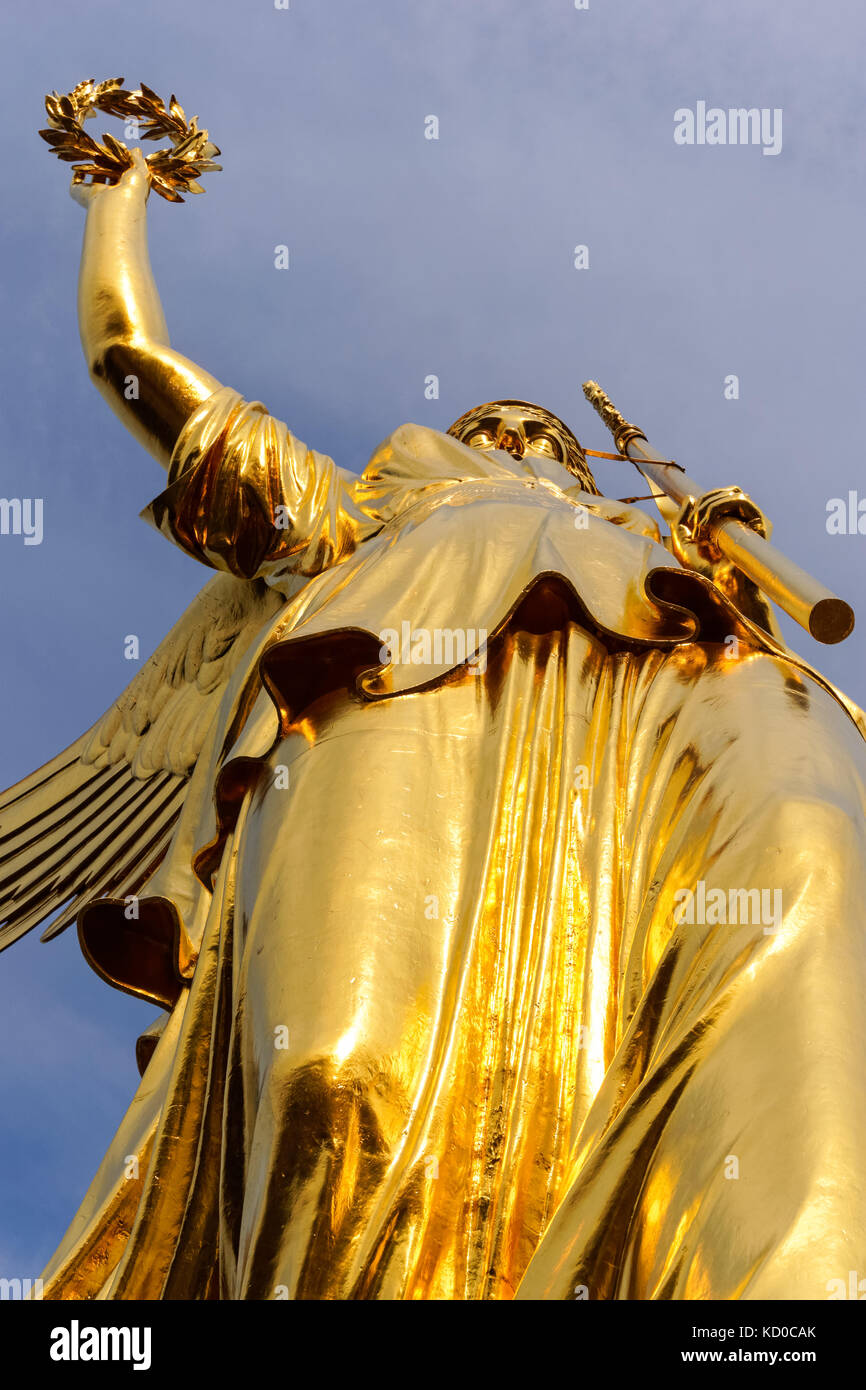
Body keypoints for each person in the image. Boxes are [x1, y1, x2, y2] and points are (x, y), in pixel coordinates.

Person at [2, 151, 865, 1300]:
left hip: (666, 684)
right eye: (487, 419)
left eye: (537, 427)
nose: (513, 431)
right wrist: (118, 196)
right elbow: (134, 363)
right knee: (336, 1077)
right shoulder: (363, 516)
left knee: (801, 870)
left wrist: (711, 559)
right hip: (392, 699)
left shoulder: (671, 554)